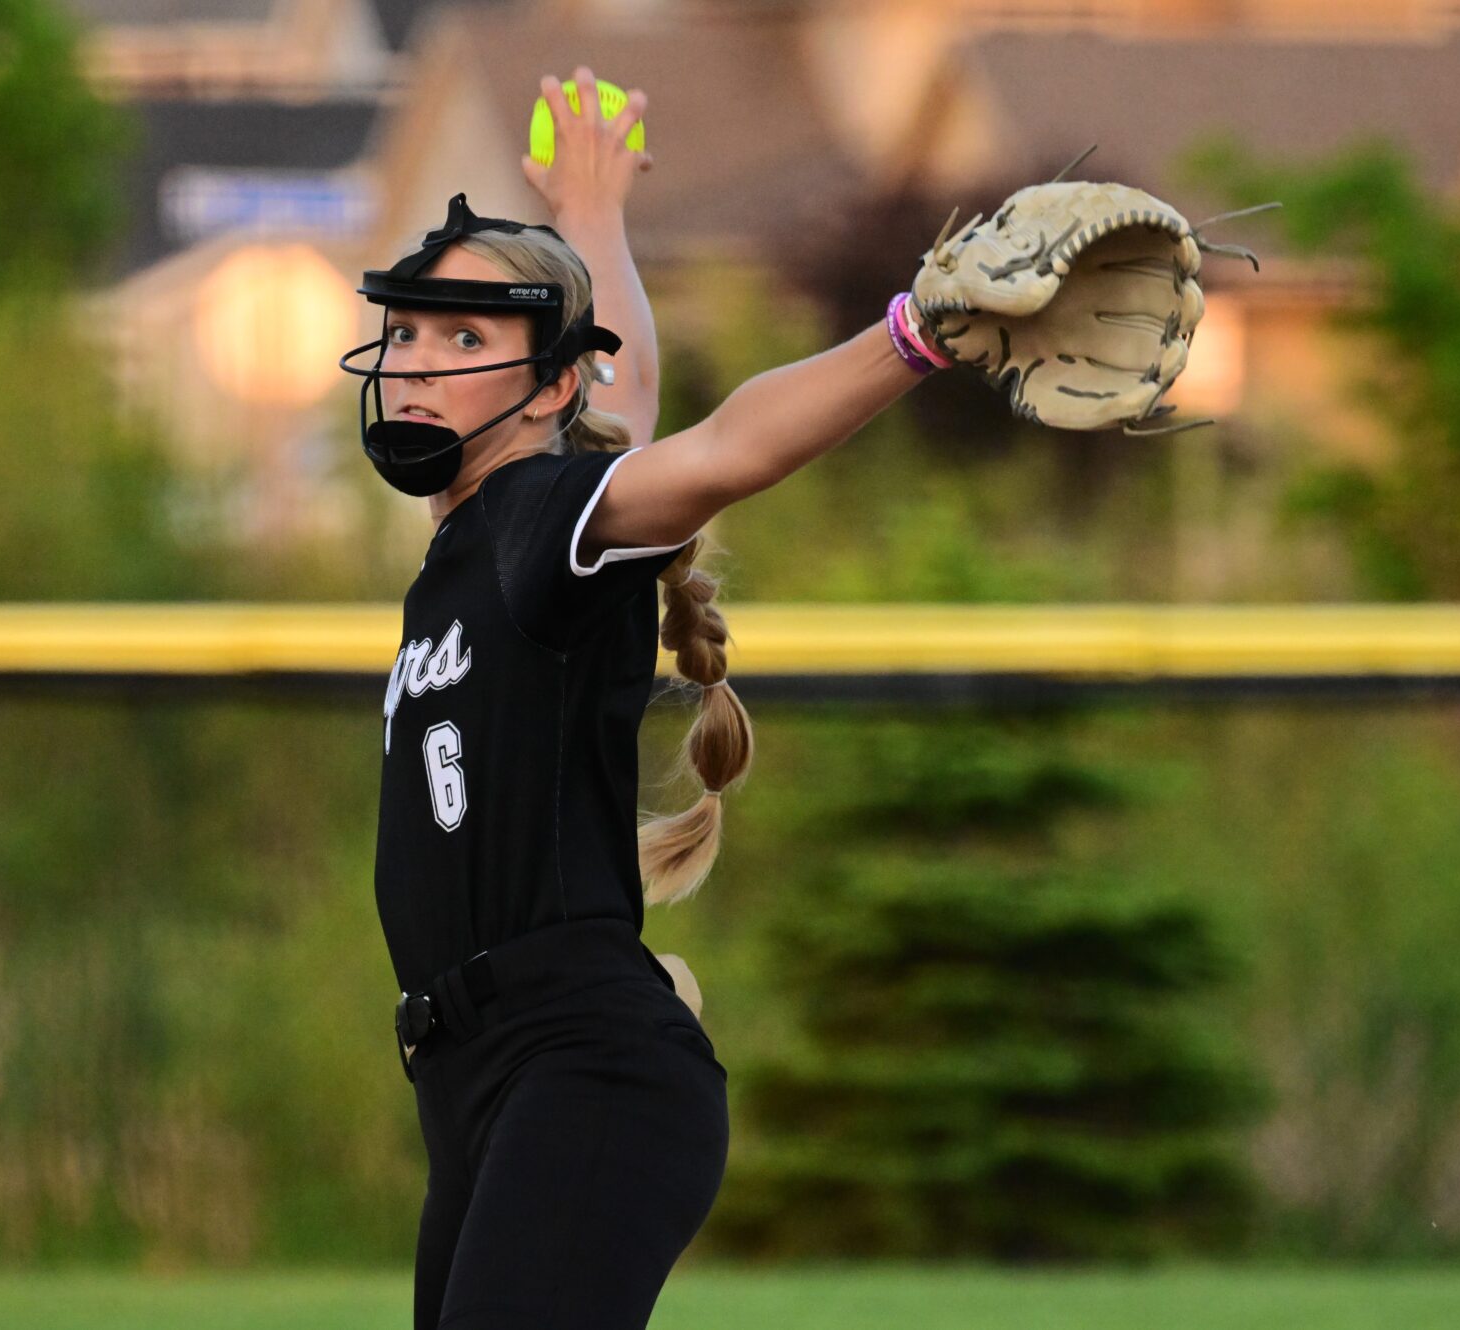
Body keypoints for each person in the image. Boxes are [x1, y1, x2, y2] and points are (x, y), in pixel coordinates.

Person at [341, 68, 951, 1330]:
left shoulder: (527, 519)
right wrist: (594, 219)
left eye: (466, 339)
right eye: (407, 332)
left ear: (544, 385)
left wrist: (914, 335)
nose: (414, 363)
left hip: (580, 1069)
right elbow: (628, 407)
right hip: (480, 1083)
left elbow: (723, 450)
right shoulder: (485, 548)